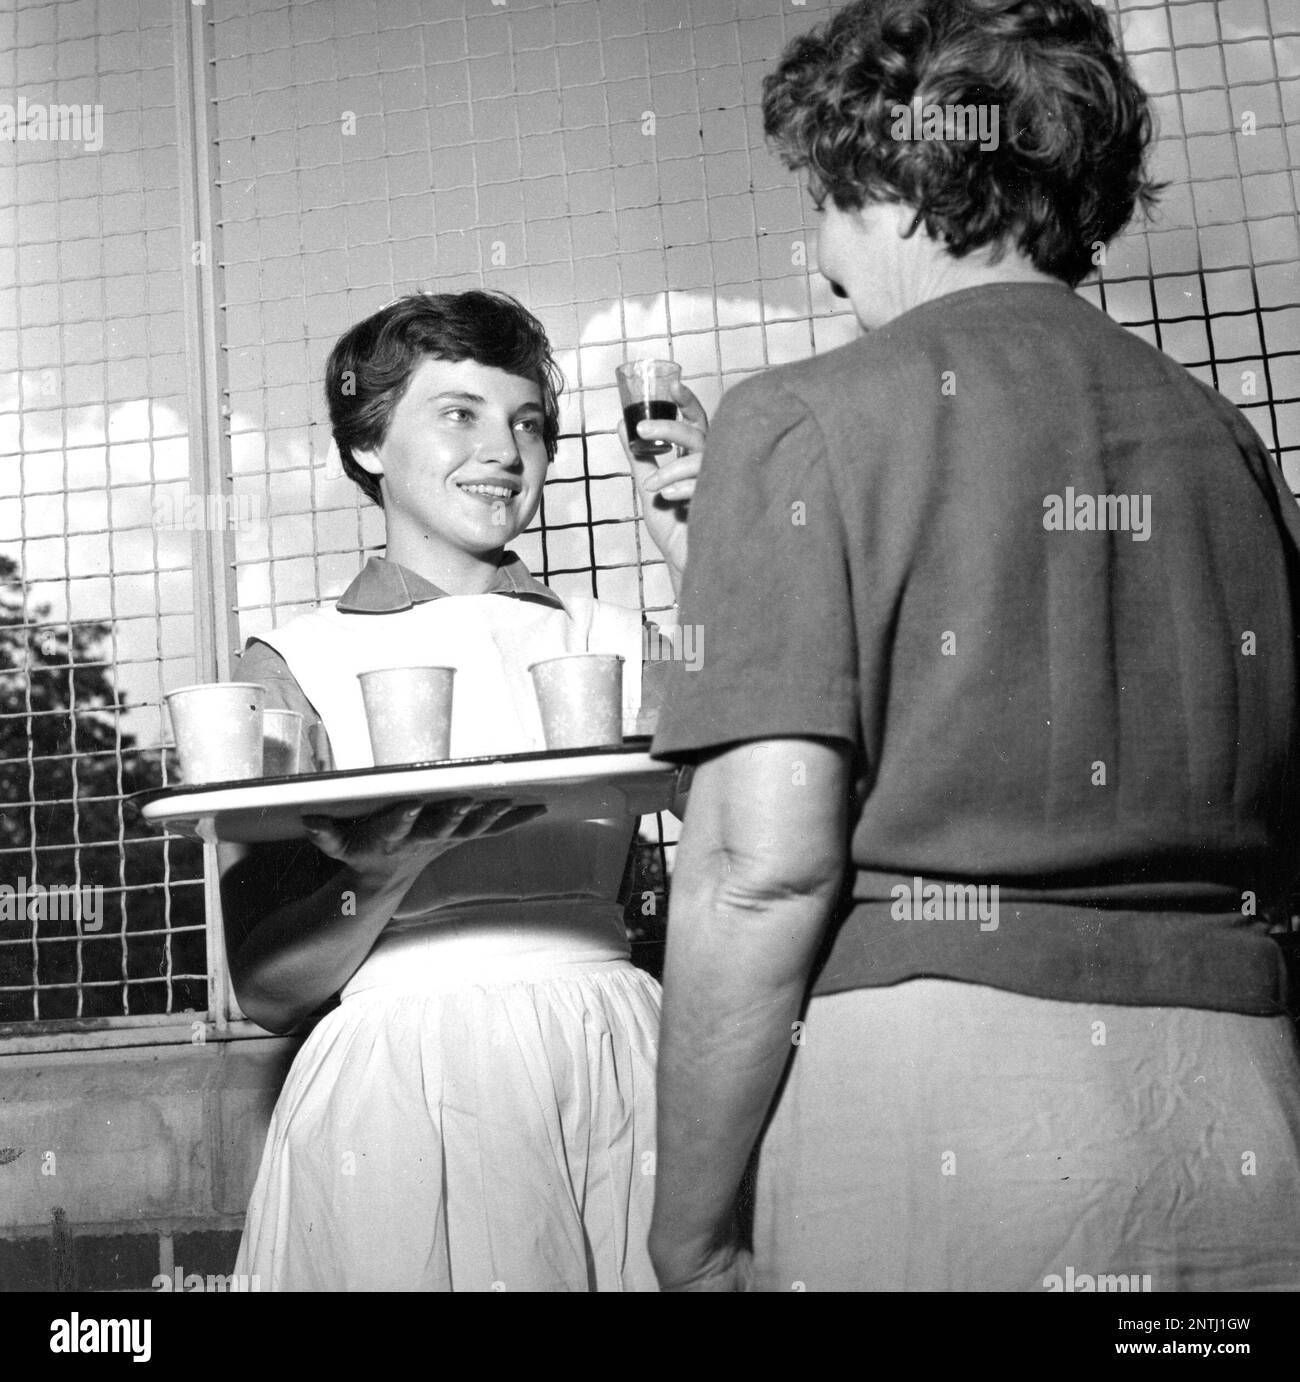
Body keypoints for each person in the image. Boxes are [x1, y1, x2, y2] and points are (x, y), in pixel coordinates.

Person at [648, 0, 1300, 1292]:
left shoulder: (797, 420)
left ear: (898, 189)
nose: (820, 259)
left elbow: (756, 868)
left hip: (942, 1111)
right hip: (1244, 1100)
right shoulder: (1225, 438)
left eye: (828, 203)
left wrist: (690, 1225)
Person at [221, 289, 705, 1290]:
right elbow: (268, 986)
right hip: (397, 1092)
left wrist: (699, 558)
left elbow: (757, 815)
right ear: (367, 444)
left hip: (618, 1060)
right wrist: (383, 873)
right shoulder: (291, 664)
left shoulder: (616, 638)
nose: (505, 450)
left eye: (528, 422)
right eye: (459, 413)